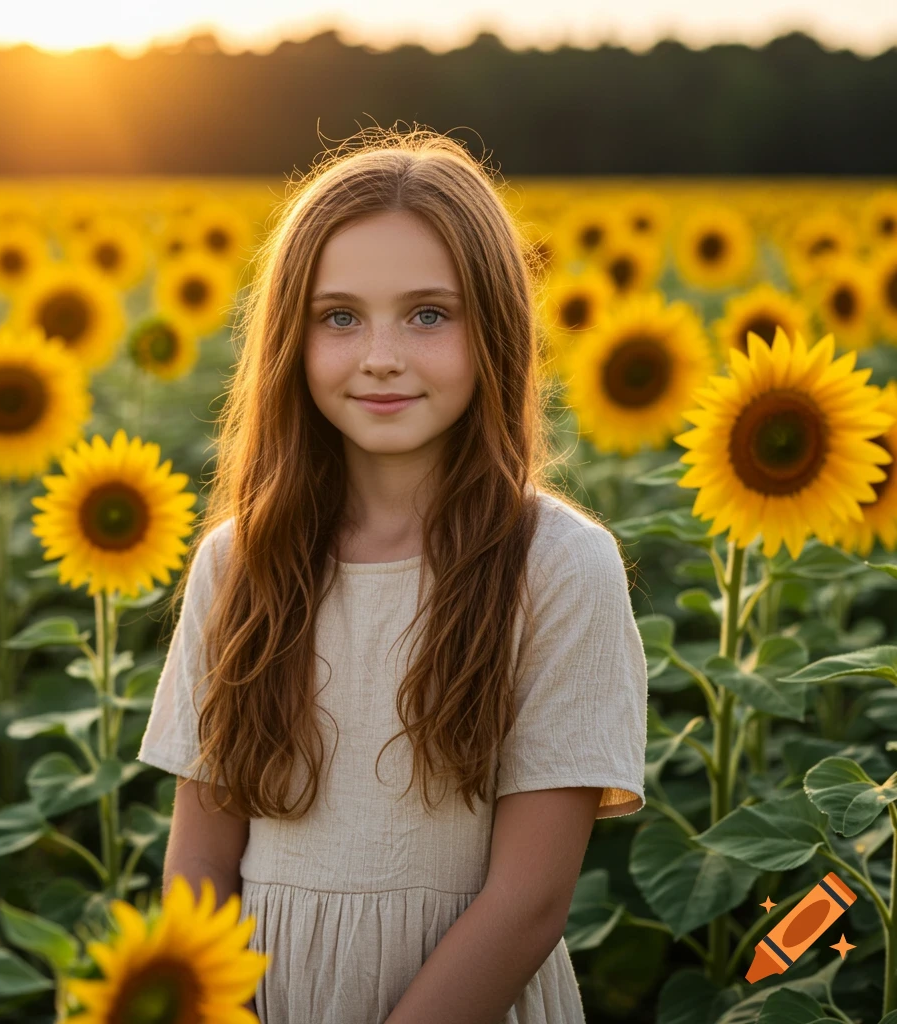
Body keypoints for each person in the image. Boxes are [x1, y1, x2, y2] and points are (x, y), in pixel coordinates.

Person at [137, 125, 648, 1024]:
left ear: (494, 327)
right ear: (289, 341)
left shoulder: (559, 566)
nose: (380, 355)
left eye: (428, 314)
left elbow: (528, 904)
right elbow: (200, 865)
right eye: (340, 317)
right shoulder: (240, 562)